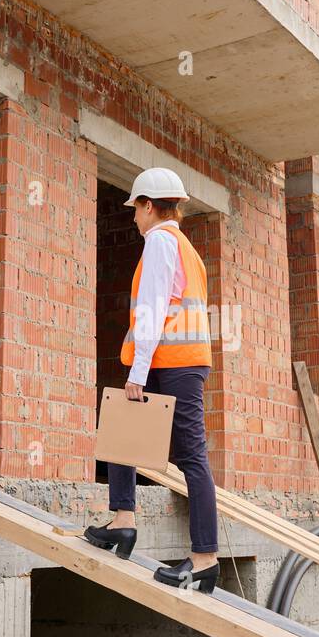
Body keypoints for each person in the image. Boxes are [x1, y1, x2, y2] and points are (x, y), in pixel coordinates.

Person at [84, 168, 220, 593]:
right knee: (123, 429)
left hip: (172, 363)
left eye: (135, 209)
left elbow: (152, 309)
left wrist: (137, 374)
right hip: (180, 362)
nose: (133, 218)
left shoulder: (161, 242)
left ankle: (204, 560)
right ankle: (122, 522)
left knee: (192, 458)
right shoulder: (185, 247)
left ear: (147, 205)